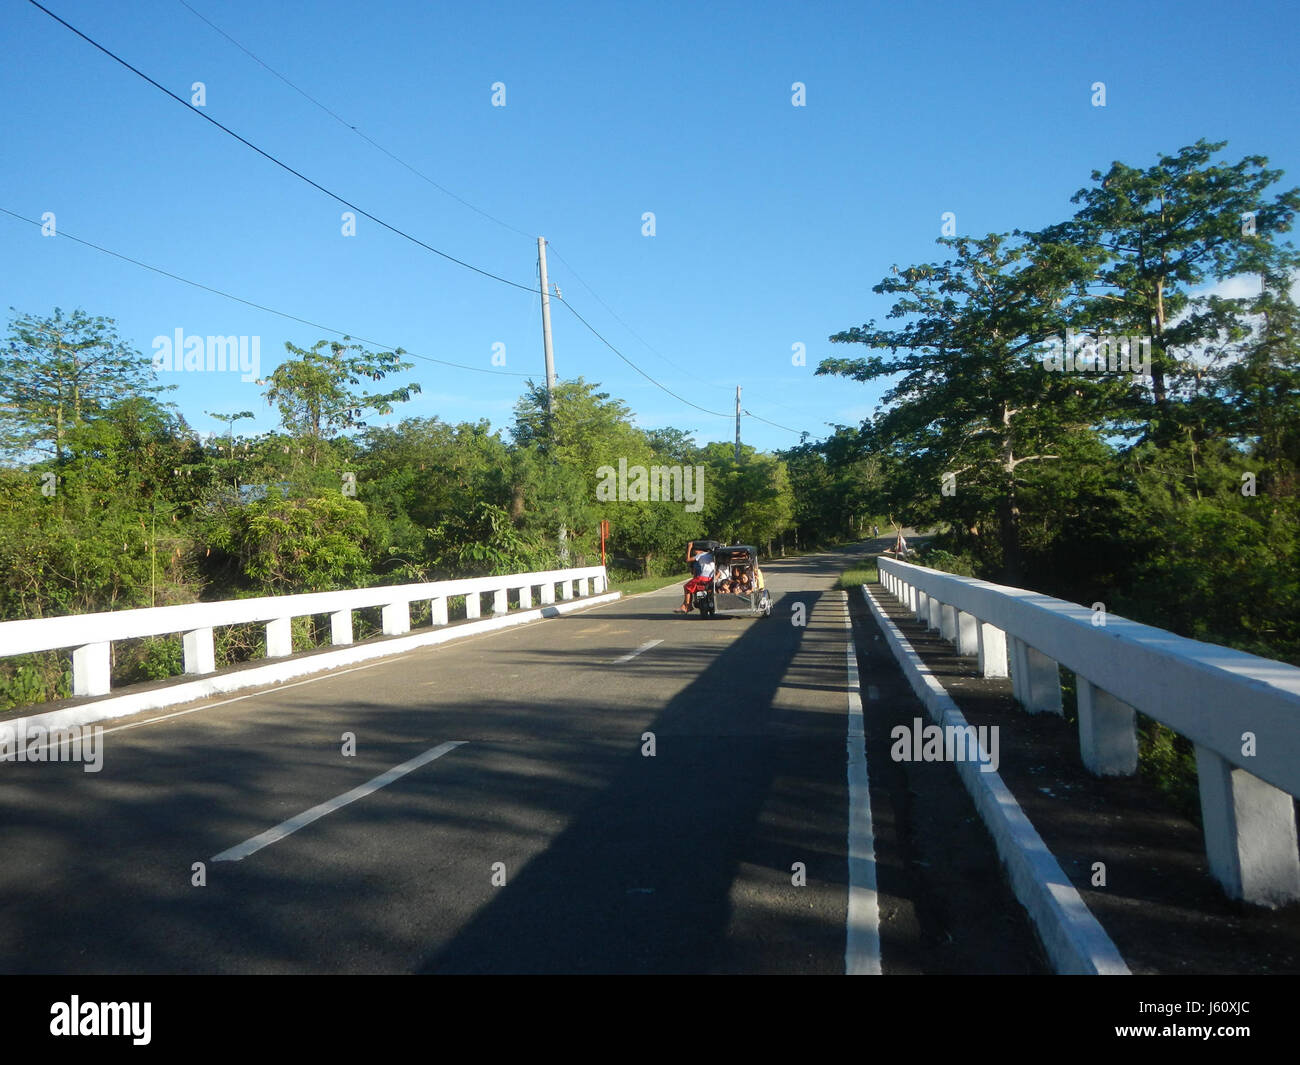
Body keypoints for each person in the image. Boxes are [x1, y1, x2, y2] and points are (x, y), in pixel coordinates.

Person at [676, 544, 715, 612]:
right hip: (712, 578)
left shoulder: (700, 555)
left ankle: (688, 606)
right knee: (695, 585)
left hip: (703, 578)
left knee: (686, 587)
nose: (694, 552)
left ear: (698, 550)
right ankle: (690, 603)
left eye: (694, 550)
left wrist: (689, 548)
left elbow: (688, 559)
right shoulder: (712, 554)